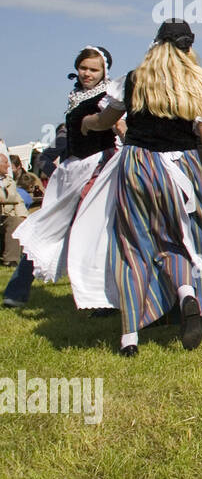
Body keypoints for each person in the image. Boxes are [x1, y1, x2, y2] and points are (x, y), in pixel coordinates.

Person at [70, 20, 202, 355]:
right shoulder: (196, 81)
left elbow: (105, 120)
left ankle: (129, 338)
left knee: (132, 245)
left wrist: (87, 122)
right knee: (178, 240)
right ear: (188, 47)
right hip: (181, 169)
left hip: (138, 164)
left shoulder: (134, 79)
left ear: (156, 44)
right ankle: (187, 294)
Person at [10, 47, 121, 307]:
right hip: (72, 171)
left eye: (94, 69)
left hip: (98, 168)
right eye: (83, 68)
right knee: (45, 225)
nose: (87, 73)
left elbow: (117, 124)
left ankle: (103, 298)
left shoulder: (108, 96)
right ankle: (17, 290)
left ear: (104, 71)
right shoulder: (77, 96)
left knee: (98, 232)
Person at [0, 153, 28, 266]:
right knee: (14, 221)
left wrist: (23, 217)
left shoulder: (9, 181)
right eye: (5, 163)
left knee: (17, 221)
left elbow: (19, 201)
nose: (8, 166)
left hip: (7, 217)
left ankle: (11, 260)